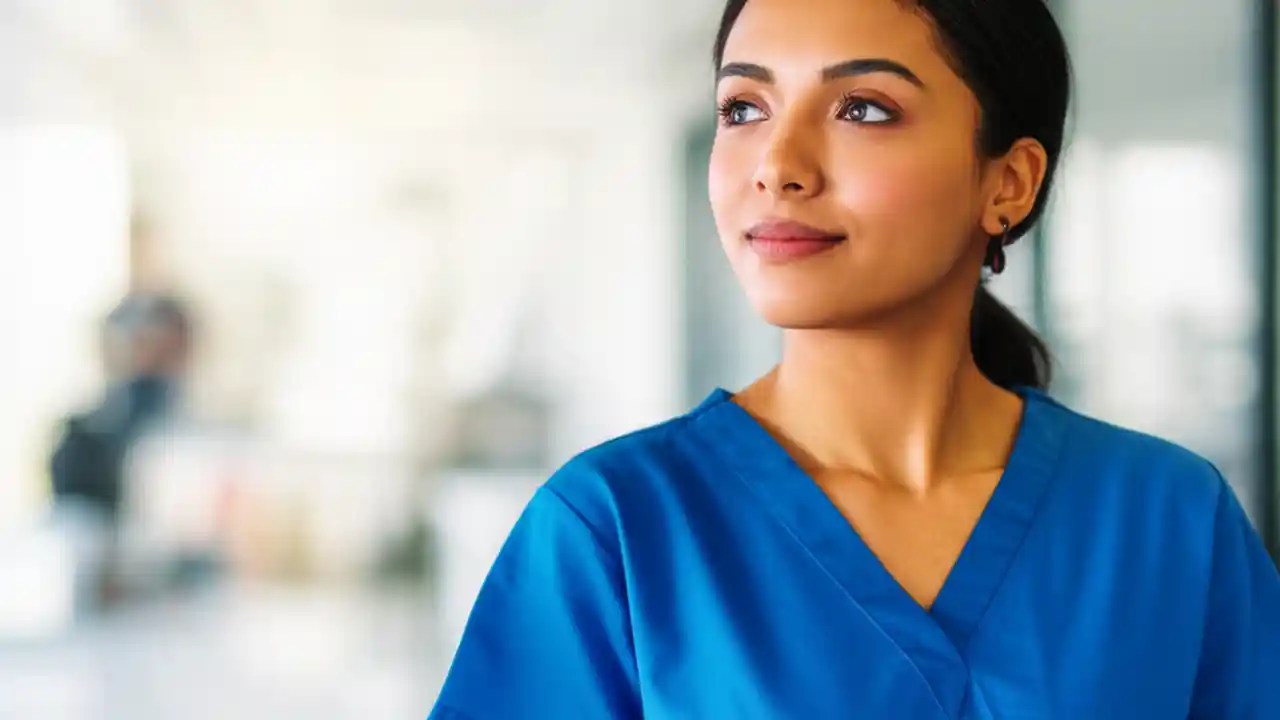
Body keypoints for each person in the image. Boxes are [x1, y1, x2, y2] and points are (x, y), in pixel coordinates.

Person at [427, 0, 1280, 717]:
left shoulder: (1168, 519)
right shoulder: (615, 527)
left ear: (1008, 183)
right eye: (744, 110)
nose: (778, 167)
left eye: (862, 109)